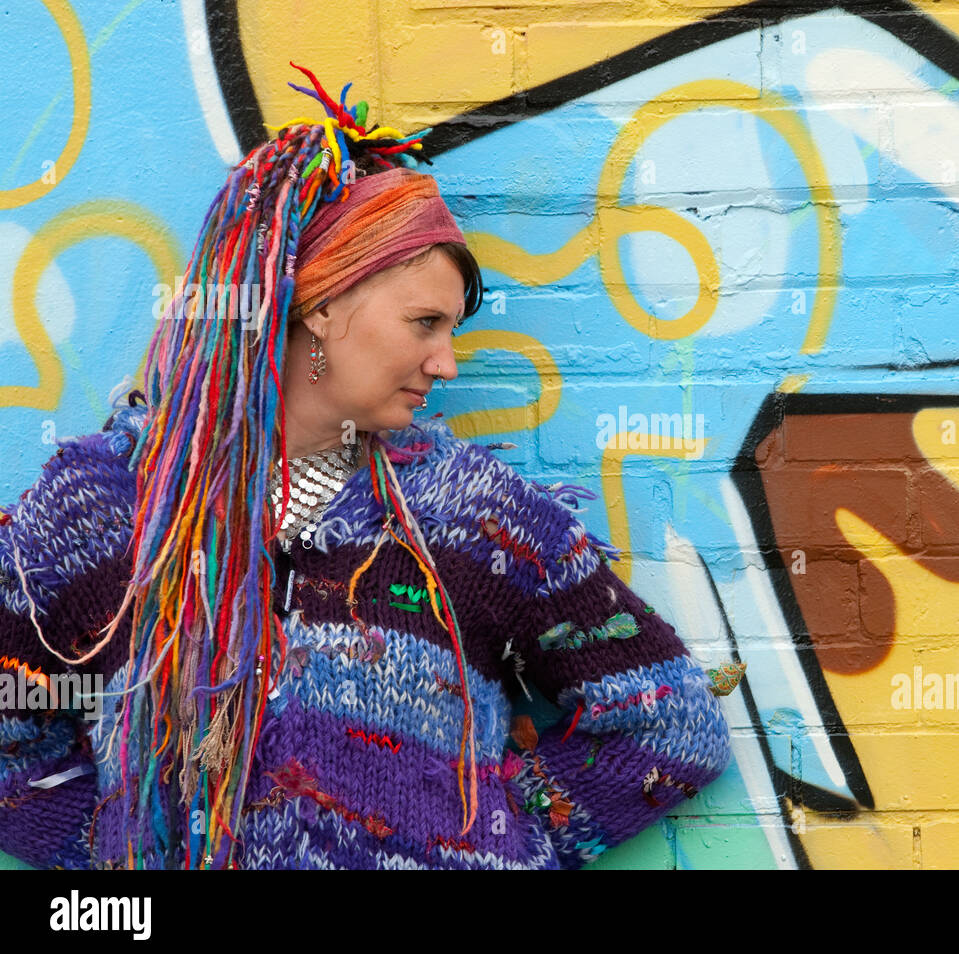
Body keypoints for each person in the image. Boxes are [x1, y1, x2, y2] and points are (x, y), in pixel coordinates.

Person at [0, 64, 732, 870]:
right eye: (425, 322)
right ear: (319, 305)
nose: (446, 363)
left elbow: (669, 725)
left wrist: (495, 843)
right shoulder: (108, 507)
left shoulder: (471, 518)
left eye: (450, 330)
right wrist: (118, 852)